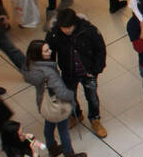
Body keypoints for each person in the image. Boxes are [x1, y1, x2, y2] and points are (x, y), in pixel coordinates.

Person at [21, 40, 86, 157]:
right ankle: (70, 156)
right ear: (38, 54)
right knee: (63, 131)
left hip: (43, 102)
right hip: (57, 104)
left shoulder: (29, 66)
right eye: (46, 51)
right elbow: (61, 92)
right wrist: (71, 97)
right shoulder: (48, 72)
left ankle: (52, 148)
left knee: (49, 124)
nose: (50, 51)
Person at [46, 8, 107, 138]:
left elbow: (100, 49)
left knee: (92, 97)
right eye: (64, 27)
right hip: (68, 72)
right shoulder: (54, 35)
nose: (67, 30)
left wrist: (96, 69)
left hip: (88, 71)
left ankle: (95, 119)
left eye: (69, 27)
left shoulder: (88, 30)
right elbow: (50, 55)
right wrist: (53, 73)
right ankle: (75, 115)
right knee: (70, 96)